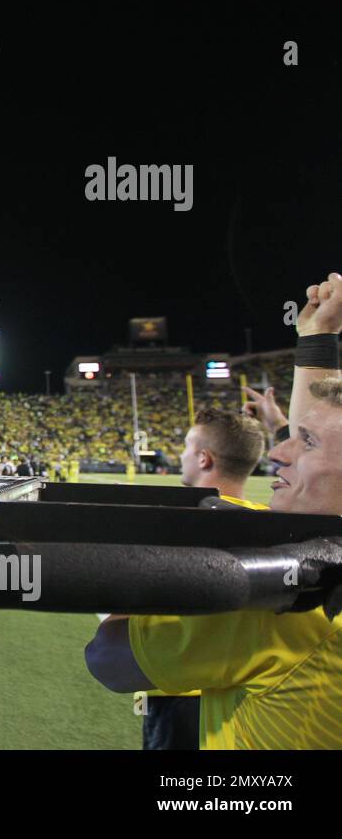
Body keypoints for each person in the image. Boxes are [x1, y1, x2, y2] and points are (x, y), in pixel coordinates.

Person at [85, 271, 342, 748]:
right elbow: (331, 440)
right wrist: (318, 342)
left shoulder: (290, 598)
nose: (279, 453)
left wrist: (127, 575)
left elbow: (108, 659)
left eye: (303, 443)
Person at [138, 409, 268, 750]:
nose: (180, 455)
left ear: (203, 458)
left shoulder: (178, 528)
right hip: (249, 694)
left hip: (179, 692)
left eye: (185, 446)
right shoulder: (271, 524)